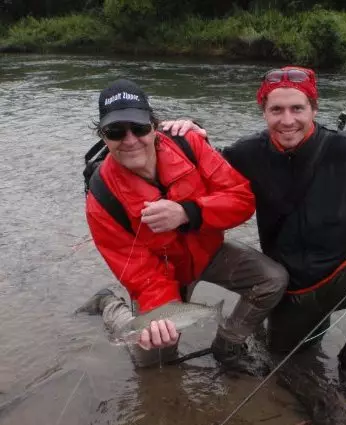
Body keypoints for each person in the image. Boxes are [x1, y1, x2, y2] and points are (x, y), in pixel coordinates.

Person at [163, 66, 346, 395]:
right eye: (276, 110)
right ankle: (310, 325)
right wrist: (193, 133)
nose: (287, 120)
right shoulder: (246, 153)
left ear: (314, 108)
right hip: (291, 284)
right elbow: (205, 173)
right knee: (289, 357)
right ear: (263, 112)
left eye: (297, 109)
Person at [78, 79, 288, 369]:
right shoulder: (101, 198)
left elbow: (241, 201)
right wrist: (161, 315)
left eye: (138, 128)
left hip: (208, 253)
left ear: (154, 126)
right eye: (115, 131)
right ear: (103, 136)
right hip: (161, 273)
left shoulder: (189, 143)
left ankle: (228, 345)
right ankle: (109, 304)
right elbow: (140, 272)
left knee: (272, 279)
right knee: (153, 361)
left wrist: (188, 213)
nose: (129, 140)